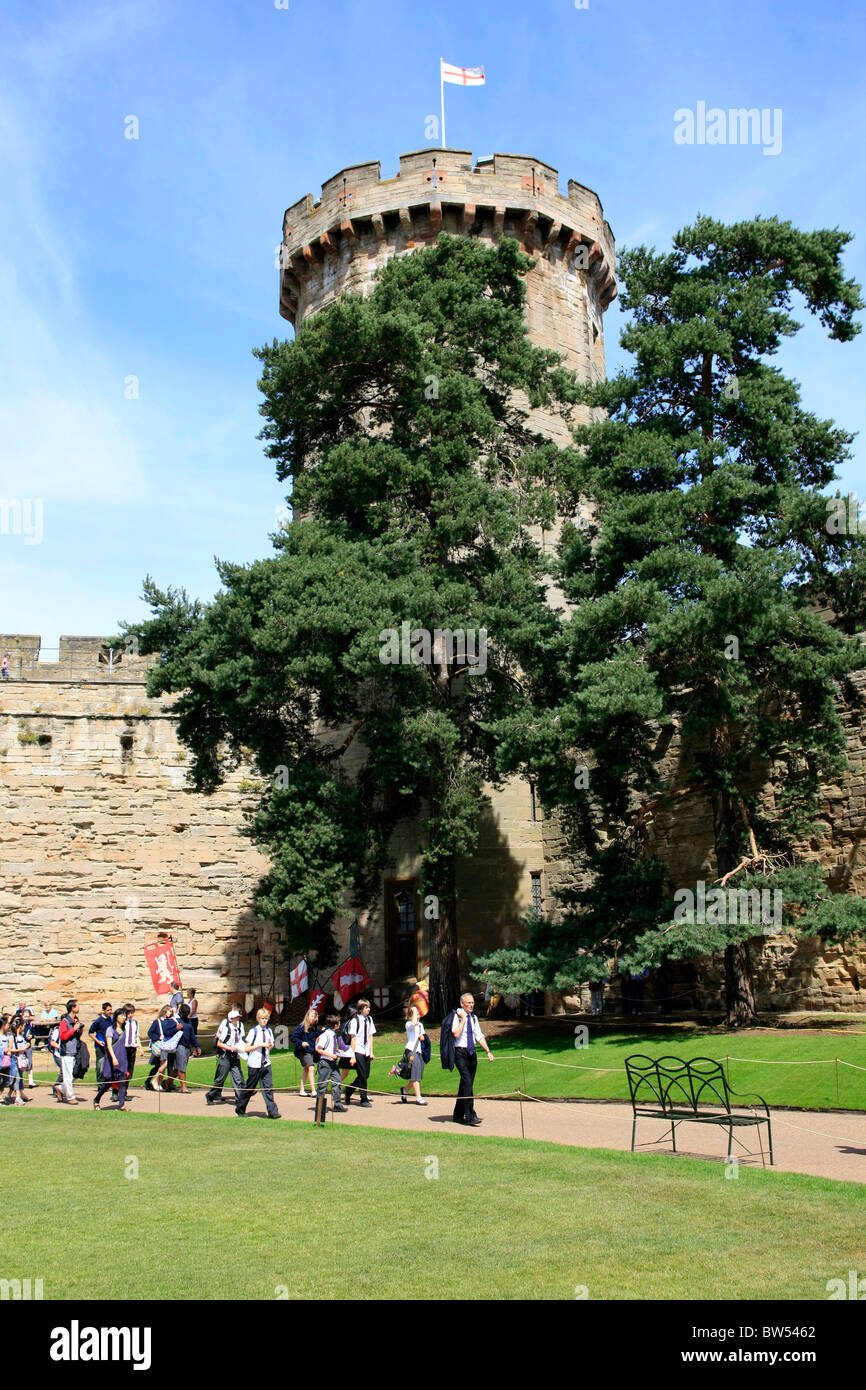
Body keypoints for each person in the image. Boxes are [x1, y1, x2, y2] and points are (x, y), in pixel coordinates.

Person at [451, 993, 494, 1126]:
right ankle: (470, 1115)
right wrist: (463, 1019)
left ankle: (458, 1114)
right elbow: (455, 1033)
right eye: (468, 1003)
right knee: (467, 1082)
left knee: (465, 1084)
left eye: (472, 1002)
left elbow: (479, 1036)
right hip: (460, 1053)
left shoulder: (474, 1018)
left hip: (471, 1053)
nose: (471, 1005)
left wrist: (488, 1051)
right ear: (462, 1004)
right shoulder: (456, 1017)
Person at [235, 1008, 280, 1119]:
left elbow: (271, 1044)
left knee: (268, 1087)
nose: (264, 1021)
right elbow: (247, 1048)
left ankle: (272, 1111)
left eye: (266, 1019)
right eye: (262, 1019)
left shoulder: (269, 1031)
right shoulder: (253, 1031)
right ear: (258, 1019)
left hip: (266, 1063)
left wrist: (270, 1045)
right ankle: (240, 1108)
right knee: (250, 1087)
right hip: (255, 1064)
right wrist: (260, 1045)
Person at [206, 1008, 246, 1105]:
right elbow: (220, 1043)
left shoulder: (240, 1027)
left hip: (235, 1055)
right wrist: (229, 1048)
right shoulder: (226, 1029)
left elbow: (240, 1040)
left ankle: (239, 1099)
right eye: (235, 1018)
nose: (237, 1019)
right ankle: (210, 1094)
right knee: (220, 1078)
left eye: (238, 1017)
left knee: (237, 1078)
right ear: (231, 1019)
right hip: (225, 1056)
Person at [93, 1008, 130, 1111]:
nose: (123, 1018)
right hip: (112, 1058)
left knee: (122, 1081)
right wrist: (114, 1058)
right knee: (108, 1082)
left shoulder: (124, 1029)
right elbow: (109, 1045)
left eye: (124, 1016)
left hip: (122, 1057)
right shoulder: (110, 1029)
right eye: (121, 1015)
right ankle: (96, 1099)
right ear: (116, 1017)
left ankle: (121, 1104)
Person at [345, 998, 375, 1107]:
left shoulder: (369, 1020)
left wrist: (371, 1052)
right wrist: (353, 1055)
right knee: (362, 1075)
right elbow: (353, 1038)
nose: (368, 1010)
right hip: (358, 1050)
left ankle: (349, 1090)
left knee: (366, 1075)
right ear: (361, 1009)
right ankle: (363, 1098)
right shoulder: (355, 1021)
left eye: (369, 1007)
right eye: (366, 1008)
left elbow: (370, 1036)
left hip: (366, 1050)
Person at [315, 1013, 348, 1112]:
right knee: (322, 1085)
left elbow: (330, 1048)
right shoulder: (326, 1035)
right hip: (325, 1063)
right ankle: (320, 1107)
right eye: (339, 1023)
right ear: (336, 1025)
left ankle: (337, 1104)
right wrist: (331, 1055)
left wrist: (337, 1050)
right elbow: (319, 1049)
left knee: (337, 1081)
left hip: (333, 1063)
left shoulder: (333, 1034)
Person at [145, 1005, 183, 1090]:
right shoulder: (157, 1021)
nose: (171, 1013)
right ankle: (155, 1081)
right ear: (164, 1011)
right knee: (163, 1064)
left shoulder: (171, 1021)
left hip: (168, 1046)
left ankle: (158, 1083)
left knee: (163, 1064)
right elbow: (150, 1033)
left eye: (171, 1011)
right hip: (161, 1045)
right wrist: (158, 1037)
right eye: (169, 1011)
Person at [400, 1004, 428, 1105]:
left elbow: (423, 1036)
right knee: (415, 1074)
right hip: (411, 1050)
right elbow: (414, 1024)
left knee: (417, 1075)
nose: (418, 1015)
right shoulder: (408, 1024)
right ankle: (418, 1097)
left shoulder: (420, 1025)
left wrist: (422, 1037)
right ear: (411, 1016)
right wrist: (414, 1011)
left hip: (419, 1051)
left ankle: (405, 1090)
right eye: (416, 1014)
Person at [290, 1007, 319, 1099]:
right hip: (302, 1051)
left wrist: (323, 1031)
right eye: (311, 1016)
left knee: (306, 1069)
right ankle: (313, 1090)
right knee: (311, 1067)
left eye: (314, 1016)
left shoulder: (313, 1028)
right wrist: (301, 1043)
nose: (313, 1018)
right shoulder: (302, 1027)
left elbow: (317, 1034)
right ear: (307, 1017)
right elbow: (293, 1037)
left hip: (309, 1051)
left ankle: (302, 1090)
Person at [58, 1000, 83, 1104]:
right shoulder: (64, 1021)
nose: (78, 1008)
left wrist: (79, 1030)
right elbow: (63, 1036)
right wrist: (73, 1029)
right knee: (68, 1075)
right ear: (72, 1008)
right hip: (67, 1051)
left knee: (74, 1073)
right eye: (77, 1006)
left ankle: (61, 1088)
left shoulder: (75, 1019)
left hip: (75, 1050)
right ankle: (70, 1097)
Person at [172, 1004, 200, 1094]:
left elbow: (192, 1035)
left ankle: (167, 1082)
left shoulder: (188, 1021)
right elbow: (168, 1032)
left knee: (178, 1068)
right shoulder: (176, 1020)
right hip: (180, 1046)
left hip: (187, 1046)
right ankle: (183, 1087)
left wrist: (197, 1046)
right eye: (185, 1013)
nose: (187, 1015)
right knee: (182, 1067)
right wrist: (176, 1028)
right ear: (181, 1013)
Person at [88, 1002, 113, 1082]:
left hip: (110, 1046)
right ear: (103, 1011)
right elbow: (91, 1033)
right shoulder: (98, 1021)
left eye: (110, 1010)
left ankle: (108, 1083)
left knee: (109, 1065)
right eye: (108, 1010)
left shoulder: (112, 1020)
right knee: (100, 1065)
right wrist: (98, 1041)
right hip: (100, 1047)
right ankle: (100, 1083)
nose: (110, 1012)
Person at [121, 1005, 140, 1097]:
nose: (131, 1015)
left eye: (132, 1013)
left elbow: (137, 1036)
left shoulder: (135, 1023)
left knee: (130, 1070)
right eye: (129, 1013)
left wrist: (140, 1048)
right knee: (121, 1070)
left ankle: (125, 1091)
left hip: (132, 1048)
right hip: (124, 1047)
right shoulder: (123, 1023)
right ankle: (117, 1091)